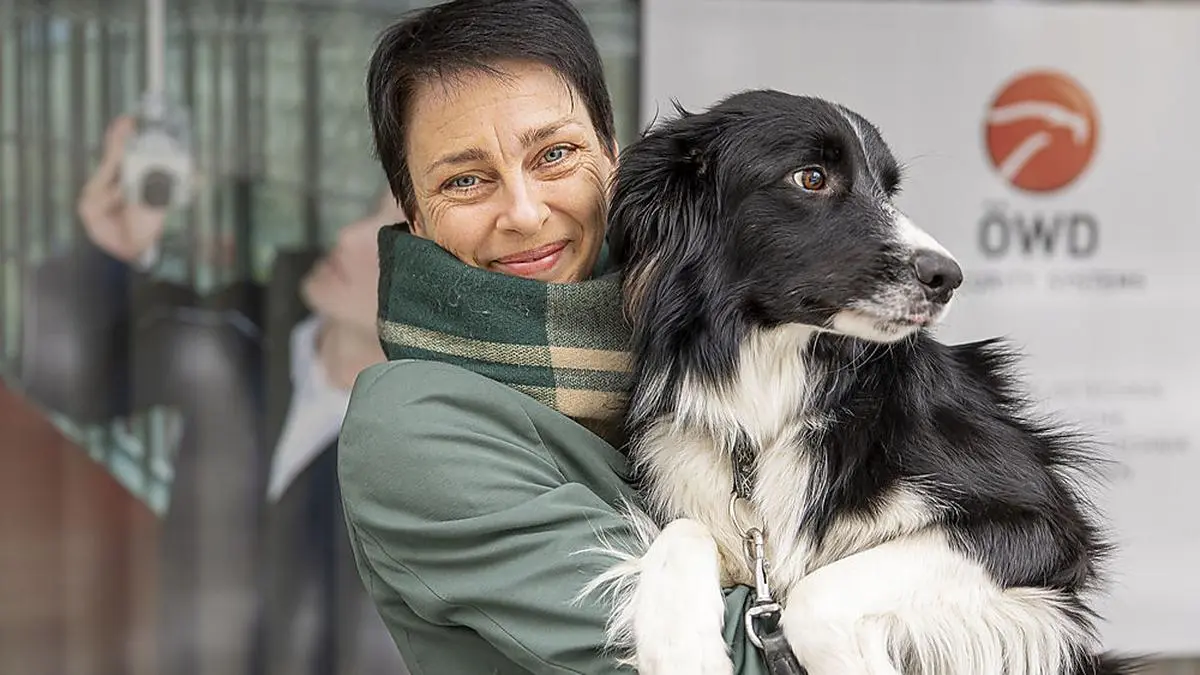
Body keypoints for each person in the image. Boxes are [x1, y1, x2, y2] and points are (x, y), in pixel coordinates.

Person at [336, 0, 770, 673]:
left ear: (611, 153)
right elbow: (721, 655)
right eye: (467, 180)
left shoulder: (721, 342)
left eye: (555, 154)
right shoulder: (413, 426)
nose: (525, 211)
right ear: (415, 213)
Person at [18, 114, 410, 675]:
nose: (348, 237)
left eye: (392, 239)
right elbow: (70, 378)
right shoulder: (237, 332)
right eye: (369, 211)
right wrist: (106, 258)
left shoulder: (433, 447)